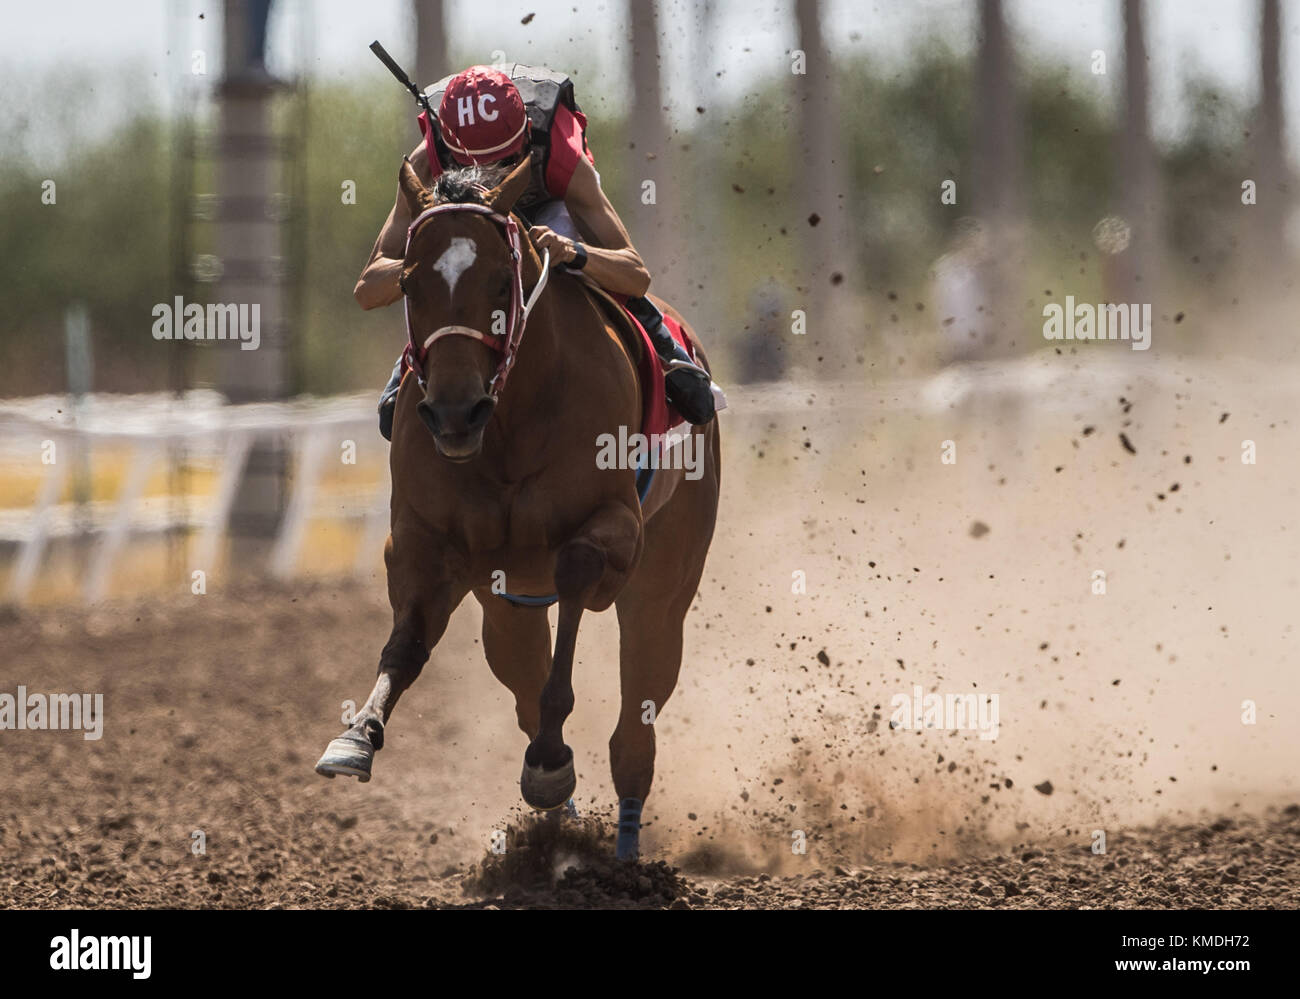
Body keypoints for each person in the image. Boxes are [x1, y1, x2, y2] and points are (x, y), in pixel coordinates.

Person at [355, 64, 715, 441]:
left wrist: (575, 253)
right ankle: (405, 367)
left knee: (569, 257)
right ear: (449, 153)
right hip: (467, 229)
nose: (492, 181)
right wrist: (424, 269)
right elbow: (368, 288)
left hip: (548, 213)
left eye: (505, 164)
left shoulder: (562, 153)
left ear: (527, 134)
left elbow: (635, 273)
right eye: (477, 170)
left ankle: (669, 353)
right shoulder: (424, 161)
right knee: (454, 278)